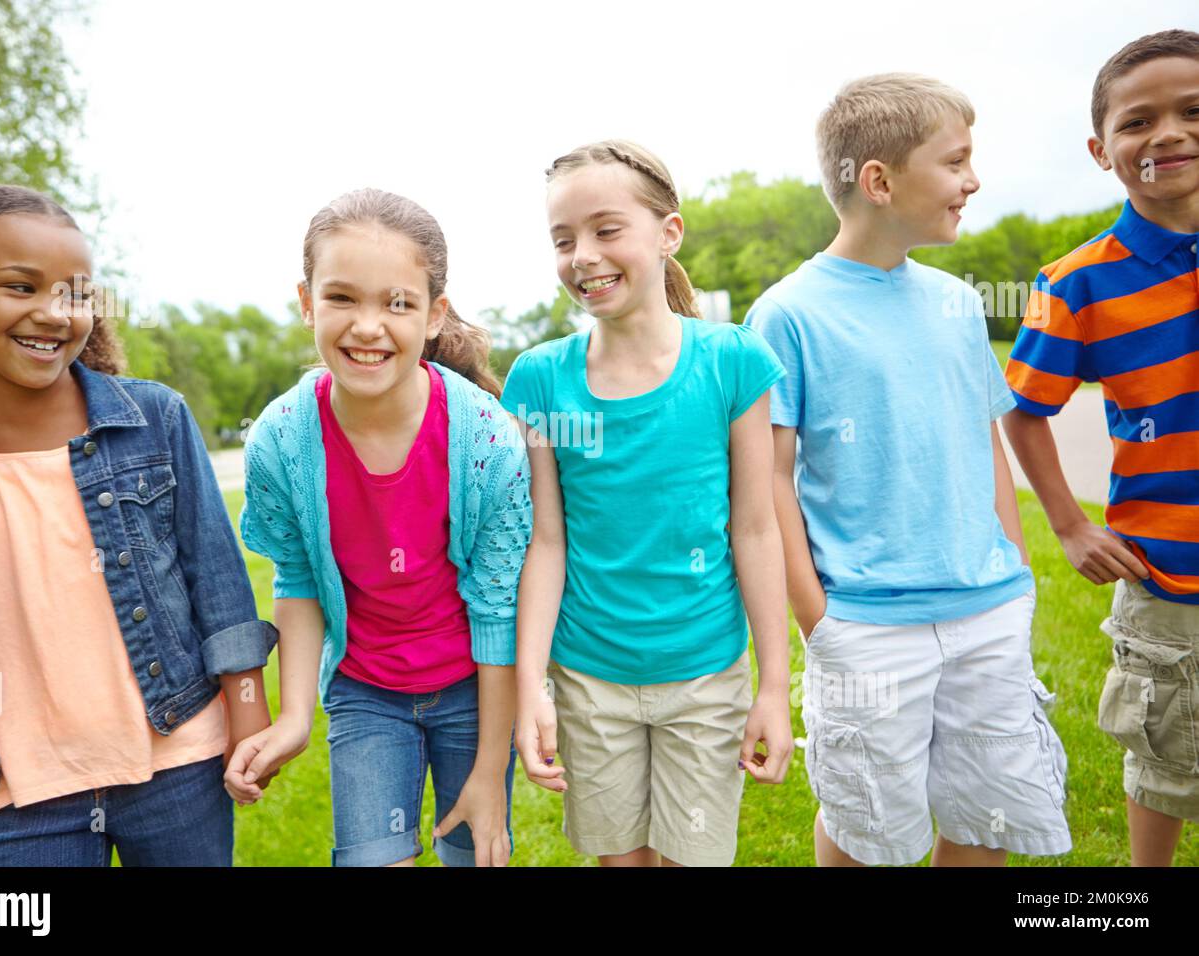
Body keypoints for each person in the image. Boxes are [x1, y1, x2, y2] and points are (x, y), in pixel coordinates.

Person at [747, 75, 1071, 866]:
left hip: (988, 611)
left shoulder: (959, 302)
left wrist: (1017, 569)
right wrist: (819, 619)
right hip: (864, 626)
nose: (974, 180)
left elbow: (983, 443)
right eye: (955, 161)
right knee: (869, 826)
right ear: (880, 181)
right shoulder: (787, 314)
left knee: (986, 812)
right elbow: (767, 482)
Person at [0, 184, 274, 866]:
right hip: (18, 791)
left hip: (177, 764)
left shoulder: (153, 417)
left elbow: (216, 579)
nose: (53, 313)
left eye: (75, 292)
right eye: (20, 287)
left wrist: (248, 708)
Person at [505, 140, 793, 867]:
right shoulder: (541, 379)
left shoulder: (732, 361)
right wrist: (532, 686)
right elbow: (546, 542)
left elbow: (757, 530)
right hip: (589, 676)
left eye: (606, 230)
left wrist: (775, 687)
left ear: (668, 233)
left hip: (705, 673)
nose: (582, 256)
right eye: (563, 239)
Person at [233, 188, 530, 867]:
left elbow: (496, 609)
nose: (368, 326)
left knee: (473, 856)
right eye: (342, 298)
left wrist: (490, 769)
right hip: (367, 691)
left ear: (433, 316)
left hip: (472, 689)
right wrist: (292, 717)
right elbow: (299, 576)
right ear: (307, 303)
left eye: (396, 302)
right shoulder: (281, 439)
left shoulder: (486, 441)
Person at [1003, 29, 1199, 866]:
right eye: (1138, 121)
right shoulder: (1075, 282)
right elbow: (1022, 410)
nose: (1167, 135)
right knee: (1163, 751)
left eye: (1192, 112)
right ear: (1100, 149)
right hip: (1167, 574)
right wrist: (1070, 527)